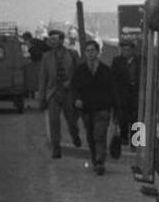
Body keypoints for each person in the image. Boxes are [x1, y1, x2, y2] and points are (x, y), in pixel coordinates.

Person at [71, 39, 115, 175]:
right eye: (88, 51)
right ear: (85, 53)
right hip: (87, 109)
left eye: (93, 51)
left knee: (99, 135)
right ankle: (95, 160)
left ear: (98, 52)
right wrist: (76, 99)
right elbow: (74, 87)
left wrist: (114, 109)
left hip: (102, 109)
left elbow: (112, 90)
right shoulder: (80, 70)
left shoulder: (106, 70)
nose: (90, 53)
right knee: (90, 136)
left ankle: (100, 161)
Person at [39, 29, 81, 158]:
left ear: (62, 40)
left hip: (68, 93)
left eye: (54, 39)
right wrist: (42, 97)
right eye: (50, 39)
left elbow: (79, 73)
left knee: (71, 120)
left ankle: (75, 135)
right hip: (53, 93)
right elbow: (43, 78)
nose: (52, 41)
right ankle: (56, 148)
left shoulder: (72, 54)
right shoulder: (46, 57)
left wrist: (71, 82)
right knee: (54, 121)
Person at [109, 38, 141, 157]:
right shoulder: (117, 61)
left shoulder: (140, 61)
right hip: (122, 94)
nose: (125, 51)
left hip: (137, 94)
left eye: (128, 49)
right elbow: (113, 78)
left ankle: (136, 143)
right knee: (122, 117)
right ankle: (124, 138)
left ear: (133, 50)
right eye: (123, 49)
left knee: (137, 119)